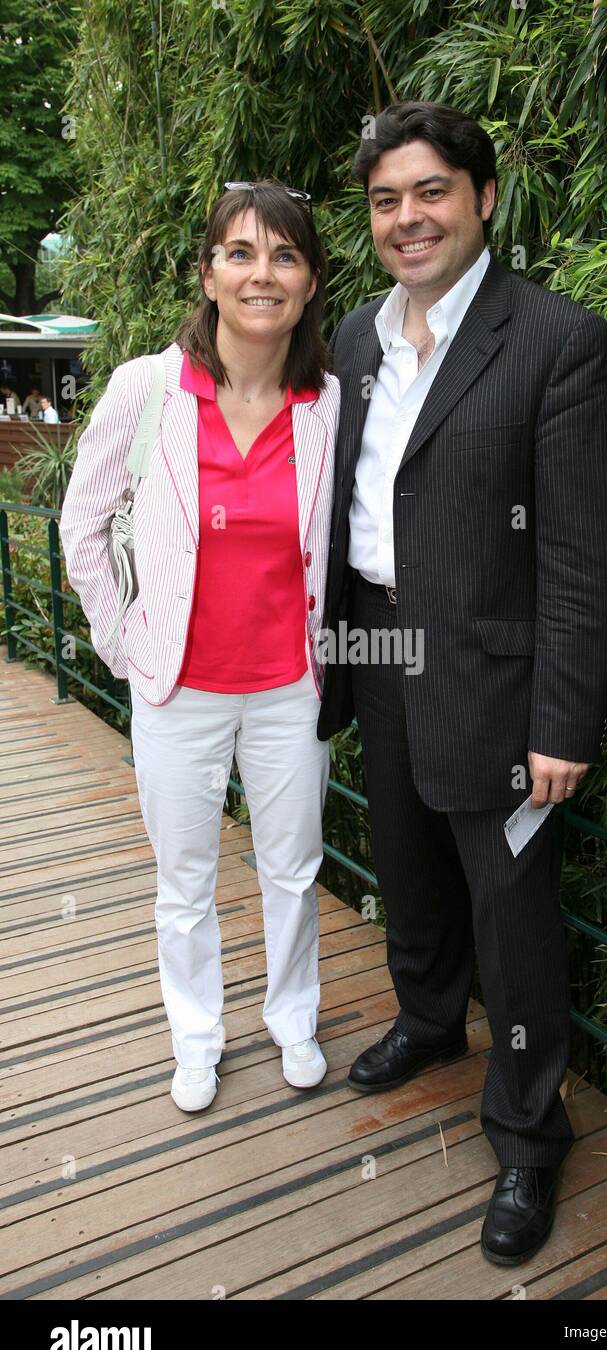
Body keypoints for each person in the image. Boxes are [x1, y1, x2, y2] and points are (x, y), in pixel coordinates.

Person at [318, 102, 607, 1266]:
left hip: (497, 687)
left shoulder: (555, 340)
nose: (408, 218)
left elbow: (579, 557)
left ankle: (527, 1136)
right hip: (377, 654)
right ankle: (428, 1021)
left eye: (431, 191)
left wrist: (560, 719)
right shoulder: (350, 338)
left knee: (511, 920)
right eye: (387, 199)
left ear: (481, 198)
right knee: (403, 864)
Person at [60, 181, 339, 1112]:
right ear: (210, 273)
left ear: (308, 282)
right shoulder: (149, 389)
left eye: (285, 256)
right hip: (177, 686)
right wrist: (120, 641)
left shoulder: (329, 402)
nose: (264, 274)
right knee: (183, 881)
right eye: (242, 254)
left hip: (292, 684)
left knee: (294, 868)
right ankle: (196, 1034)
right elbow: (82, 522)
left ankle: (292, 1017)